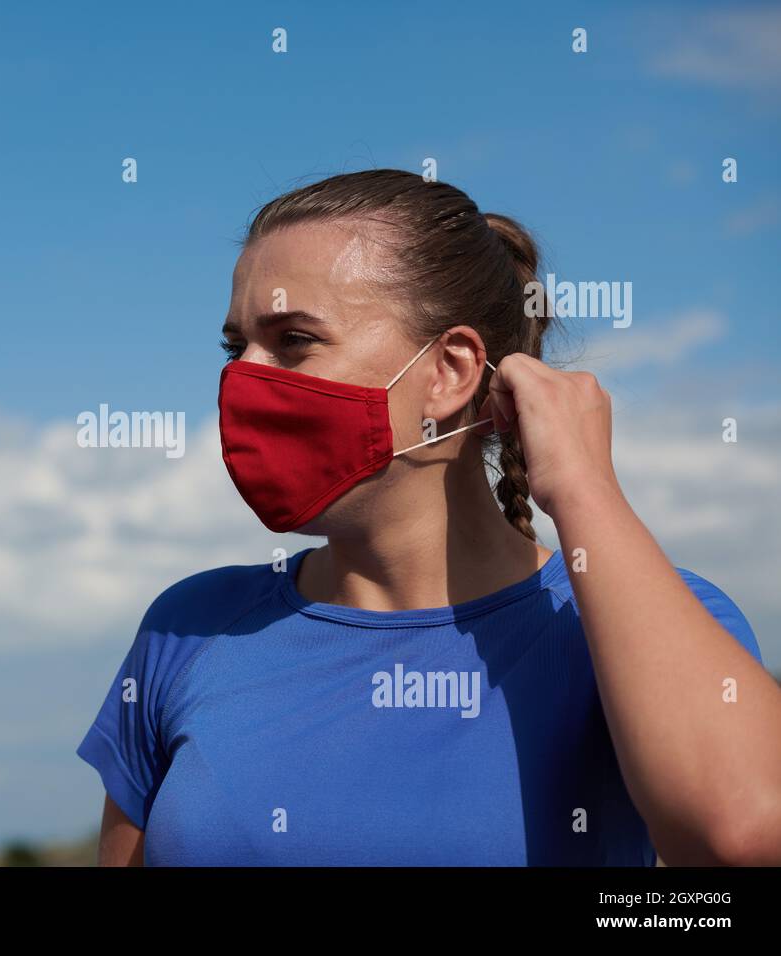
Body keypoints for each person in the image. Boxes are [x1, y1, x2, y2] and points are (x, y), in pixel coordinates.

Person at [76, 169, 780, 866]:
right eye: (237, 348)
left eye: (293, 340)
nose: (243, 379)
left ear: (447, 372)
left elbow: (741, 837)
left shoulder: (632, 622)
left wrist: (583, 489)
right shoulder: (190, 627)